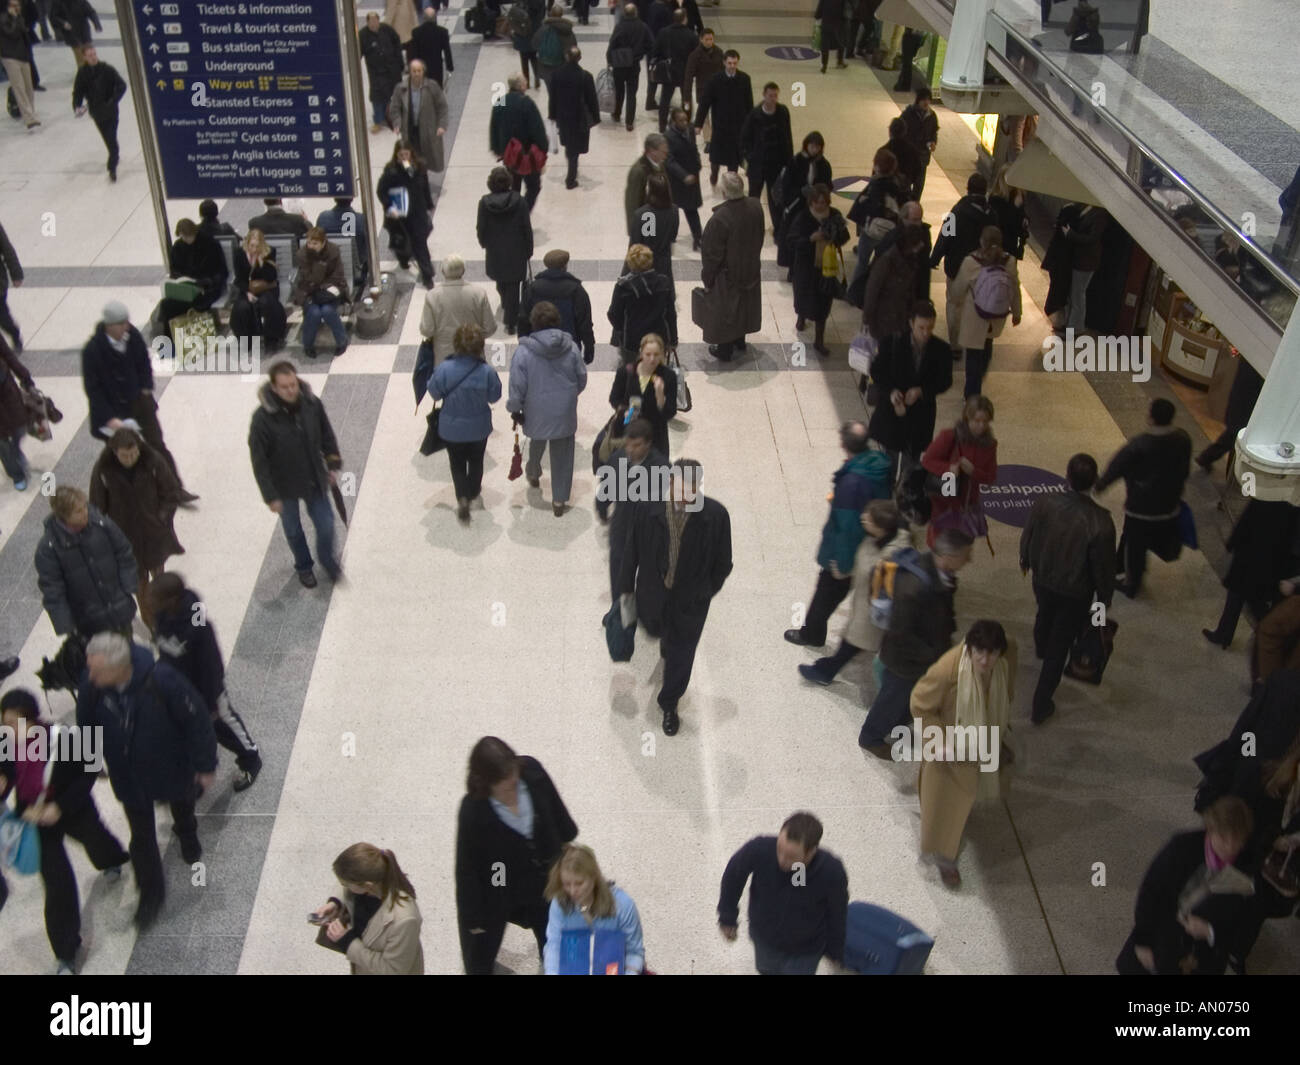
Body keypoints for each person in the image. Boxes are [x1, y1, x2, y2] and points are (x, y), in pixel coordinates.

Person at [75, 632, 216, 929]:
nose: (90, 675)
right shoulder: (91, 686)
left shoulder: (163, 680)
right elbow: (85, 725)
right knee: (141, 837)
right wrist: (90, 763)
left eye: (97, 670)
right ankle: (151, 894)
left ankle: (187, 834)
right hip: (128, 775)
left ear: (118, 668)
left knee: (182, 803)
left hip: (170, 765)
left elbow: (197, 719)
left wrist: (205, 765)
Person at [1, 686, 128, 974]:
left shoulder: (64, 738)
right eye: (4, 724)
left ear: (31, 719)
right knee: (57, 883)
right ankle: (65, 952)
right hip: (35, 818)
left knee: (96, 839)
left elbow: (89, 772)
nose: (8, 730)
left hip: (71, 807)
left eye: (13, 723)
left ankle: (112, 861)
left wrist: (60, 807)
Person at [619, 459, 732, 735]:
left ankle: (669, 702)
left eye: (691, 491)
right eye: (680, 490)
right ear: (669, 483)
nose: (685, 497)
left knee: (682, 654)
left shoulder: (715, 516)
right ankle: (664, 641)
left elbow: (723, 562)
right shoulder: (647, 509)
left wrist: (705, 593)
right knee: (657, 631)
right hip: (653, 595)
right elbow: (631, 550)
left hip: (690, 602)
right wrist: (625, 590)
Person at [455, 737, 578, 974]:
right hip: (500, 883)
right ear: (487, 782)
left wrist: (566, 841)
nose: (514, 781)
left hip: (545, 880)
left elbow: (555, 808)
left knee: (552, 935)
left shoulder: (530, 771)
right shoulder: (473, 811)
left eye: (514, 773)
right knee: (482, 949)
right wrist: (473, 919)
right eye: (506, 783)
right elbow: (466, 871)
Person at [910, 620, 1016, 888]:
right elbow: (920, 704)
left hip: (982, 742)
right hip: (951, 751)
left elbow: (1006, 691)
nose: (984, 659)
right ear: (969, 648)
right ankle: (945, 860)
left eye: (991, 653)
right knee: (944, 809)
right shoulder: (949, 668)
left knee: (966, 795)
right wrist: (938, 744)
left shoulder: (1005, 660)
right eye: (979, 651)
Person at [1019, 452, 1116, 724]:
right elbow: (1104, 567)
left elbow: (1029, 534)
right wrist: (1104, 598)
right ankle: (1041, 703)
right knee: (1060, 645)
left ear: (1067, 476)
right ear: (1094, 480)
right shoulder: (1101, 522)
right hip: (1075, 592)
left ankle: (1040, 646)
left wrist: (1025, 559)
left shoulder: (1045, 503)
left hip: (1043, 579)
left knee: (1043, 613)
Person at [858, 528, 972, 755]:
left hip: (922, 654)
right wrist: (933, 657)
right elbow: (901, 633)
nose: (969, 560)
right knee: (891, 699)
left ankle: (898, 721)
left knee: (904, 699)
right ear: (948, 557)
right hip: (905, 661)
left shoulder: (938, 572)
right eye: (965, 555)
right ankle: (870, 737)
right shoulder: (914, 586)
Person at [1116, 797, 1255, 975]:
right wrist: (1142, 942)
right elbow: (1150, 893)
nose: (1229, 848)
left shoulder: (1245, 864)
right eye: (1223, 838)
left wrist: (1210, 932)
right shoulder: (1181, 849)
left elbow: (1241, 916)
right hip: (1164, 932)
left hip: (1203, 950)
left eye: (1237, 841)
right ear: (1210, 829)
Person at [149, 573, 262, 792]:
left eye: (155, 597)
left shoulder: (197, 625)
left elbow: (211, 664)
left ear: (171, 599)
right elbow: (165, 649)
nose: (149, 600)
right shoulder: (161, 615)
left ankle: (250, 757)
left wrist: (211, 701)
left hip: (205, 689)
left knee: (223, 723)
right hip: (178, 687)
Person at [784, 420, 891, 648]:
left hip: (847, 552)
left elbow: (847, 528)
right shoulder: (878, 465)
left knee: (826, 591)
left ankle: (811, 634)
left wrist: (842, 564)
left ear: (844, 444)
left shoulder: (852, 483)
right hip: (870, 542)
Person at [81, 301, 196, 499]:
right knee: (122, 455)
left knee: (157, 445)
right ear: (109, 326)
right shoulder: (93, 351)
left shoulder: (132, 335)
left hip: (139, 403)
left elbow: (144, 362)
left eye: (126, 322)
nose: (126, 327)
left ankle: (174, 489)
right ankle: (129, 496)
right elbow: (94, 390)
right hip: (113, 412)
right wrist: (109, 418)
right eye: (121, 324)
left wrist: (145, 387)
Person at [798, 499, 916, 686]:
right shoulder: (877, 539)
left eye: (868, 520)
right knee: (854, 642)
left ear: (881, 528)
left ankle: (825, 671)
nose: (863, 519)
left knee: (853, 643)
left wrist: (846, 571)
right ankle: (828, 668)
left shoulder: (890, 556)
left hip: (873, 612)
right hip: (863, 606)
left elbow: (869, 571)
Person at [248, 361, 344, 588]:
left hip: (313, 477)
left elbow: (327, 435)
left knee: (326, 523)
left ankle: (327, 560)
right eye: (284, 387)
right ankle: (304, 566)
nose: (291, 390)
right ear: (274, 388)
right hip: (284, 485)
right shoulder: (262, 420)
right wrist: (270, 496)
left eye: (293, 384)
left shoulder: (312, 404)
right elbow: (259, 461)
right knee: (292, 530)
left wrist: (332, 464)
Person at [717, 812, 849, 974]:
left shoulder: (831, 872)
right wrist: (727, 916)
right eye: (779, 849)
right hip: (765, 941)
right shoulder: (760, 849)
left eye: (791, 857)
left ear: (811, 852)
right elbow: (734, 875)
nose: (782, 860)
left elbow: (837, 911)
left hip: (805, 951)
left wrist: (834, 950)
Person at [1094, 398, 1192, 599]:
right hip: (1169, 504)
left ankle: (1131, 583)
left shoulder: (1140, 445)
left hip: (1141, 508)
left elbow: (1117, 467)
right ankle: (1119, 564)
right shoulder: (1182, 438)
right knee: (1132, 538)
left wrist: (1100, 485)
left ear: (1151, 417)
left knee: (1135, 544)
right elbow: (1184, 470)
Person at [88, 428, 182, 631]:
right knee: (140, 586)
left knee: (159, 579)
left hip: (153, 534)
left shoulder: (153, 462)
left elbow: (170, 492)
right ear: (115, 452)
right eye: (125, 455)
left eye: (133, 453)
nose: (130, 459)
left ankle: (165, 617)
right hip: (125, 540)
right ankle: (152, 625)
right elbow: (96, 506)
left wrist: (162, 517)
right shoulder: (103, 471)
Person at [509, 301, 587, 515]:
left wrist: (515, 408)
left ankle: (533, 471)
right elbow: (581, 378)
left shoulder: (523, 352)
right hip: (564, 408)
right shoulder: (571, 348)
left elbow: (517, 386)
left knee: (538, 438)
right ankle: (559, 500)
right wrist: (569, 396)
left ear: (533, 323)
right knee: (562, 450)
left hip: (535, 407)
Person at [35, 484, 137, 642]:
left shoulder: (101, 524)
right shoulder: (49, 549)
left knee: (128, 650)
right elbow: (52, 590)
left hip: (119, 608)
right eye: (79, 511)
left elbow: (124, 552)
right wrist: (66, 626)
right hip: (88, 623)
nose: (86, 513)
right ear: (64, 516)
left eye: (85, 507)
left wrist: (128, 586)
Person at [866, 300, 953, 471]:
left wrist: (922, 391)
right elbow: (877, 371)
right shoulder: (892, 343)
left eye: (930, 328)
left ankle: (905, 493)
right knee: (888, 460)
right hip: (893, 412)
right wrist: (891, 392)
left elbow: (945, 381)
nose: (926, 333)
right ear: (911, 323)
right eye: (921, 327)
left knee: (911, 464)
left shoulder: (941, 350)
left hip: (920, 416)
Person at [313, 843, 424, 974]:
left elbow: (394, 970)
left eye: (346, 884)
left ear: (367, 885)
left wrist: (348, 942)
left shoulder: (404, 920)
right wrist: (335, 902)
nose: (343, 886)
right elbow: (345, 882)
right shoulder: (370, 880)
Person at [1202, 500, 1298, 650]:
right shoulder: (1292, 506)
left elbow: (1247, 519)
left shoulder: (1266, 494)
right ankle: (1225, 634)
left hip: (1250, 553)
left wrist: (1232, 543)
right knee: (1247, 598)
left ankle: (1271, 637)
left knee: (1246, 599)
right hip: (1269, 559)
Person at [432, 323, 502, 522]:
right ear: (480, 346)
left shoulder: (444, 368)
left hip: (451, 428)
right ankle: (473, 491)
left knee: (456, 462)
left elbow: (434, 392)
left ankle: (462, 496)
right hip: (479, 428)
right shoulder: (487, 371)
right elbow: (494, 396)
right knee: (476, 459)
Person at [543, 843, 646, 974]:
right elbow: (554, 946)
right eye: (567, 884)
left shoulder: (623, 905)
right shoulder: (559, 904)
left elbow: (634, 952)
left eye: (579, 883)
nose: (572, 891)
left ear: (593, 877)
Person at [948, 225, 1022, 396]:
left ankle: (972, 394)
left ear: (981, 241)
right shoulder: (1009, 261)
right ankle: (977, 381)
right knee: (987, 347)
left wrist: (956, 302)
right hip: (996, 315)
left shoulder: (970, 262)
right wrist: (1017, 312)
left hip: (975, 315)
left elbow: (957, 291)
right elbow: (1015, 288)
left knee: (973, 355)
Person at [697, 171, 763, 361]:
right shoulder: (756, 206)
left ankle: (724, 349)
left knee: (727, 311)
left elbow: (711, 255)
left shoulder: (719, 219)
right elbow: (759, 235)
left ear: (724, 193)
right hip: (750, 267)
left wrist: (707, 277)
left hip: (728, 275)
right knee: (745, 305)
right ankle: (740, 341)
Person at [600, 417, 669, 594]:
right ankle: (621, 612)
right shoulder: (617, 460)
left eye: (636, 445)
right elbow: (605, 490)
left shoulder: (662, 467)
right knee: (619, 575)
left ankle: (646, 612)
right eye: (628, 444)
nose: (630, 449)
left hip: (649, 531)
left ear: (648, 443)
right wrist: (602, 509)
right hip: (622, 527)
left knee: (649, 578)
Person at [930, 174, 998, 355]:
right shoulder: (992, 214)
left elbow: (945, 236)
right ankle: (975, 341)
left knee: (955, 304)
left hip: (957, 266)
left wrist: (934, 258)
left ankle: (955, 346)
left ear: (968, 188)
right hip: (983, 268)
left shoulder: (957, 211)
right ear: (985, 190)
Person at [922, 395, 997, 548]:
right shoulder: (949, 436)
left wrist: (974, 471)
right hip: (944, 500)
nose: (981, 426)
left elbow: (990, 477)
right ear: (967, 418)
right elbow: (927, 461)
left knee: (960, 546)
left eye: (985, 421)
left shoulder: (989, 444)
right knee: (939, 543)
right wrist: (948, 468)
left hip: (968, 504)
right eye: (977, 421)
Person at [788, 184, 849, 357]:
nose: (820, 205)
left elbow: (844, 236)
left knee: (823, 302)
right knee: (803, 296)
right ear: (811, 202)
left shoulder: (834, 216)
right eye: (817, 202)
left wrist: (834, 236)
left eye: (823, 202)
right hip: (806, 268)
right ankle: (801, 317)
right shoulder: (803, 217)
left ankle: (819, 340)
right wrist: (810, 239)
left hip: (826, 267)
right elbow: (792, 242)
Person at [844, 149, 905, 307]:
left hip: (871, 231)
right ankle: (875, 294)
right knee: (881, 264)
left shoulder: (875, 184)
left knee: (862, 262)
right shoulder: (899, 184)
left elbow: (867, 208)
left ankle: (854, 294)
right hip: (889, 232)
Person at [477, 166, 534, 335]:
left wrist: (484, 243)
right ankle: (511, 317)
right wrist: (529, 249)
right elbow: (526, 227)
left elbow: (481, 227)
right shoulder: (520, 201)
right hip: (516, 249)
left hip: (495, 250)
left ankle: (509, 313)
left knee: (501, 281)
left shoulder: (484, 203)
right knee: (513, 284)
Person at [517, 248, 595, 363]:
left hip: (538, 349)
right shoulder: (576, 290)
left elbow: (523, 319)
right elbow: (584, 323)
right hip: (568, 348)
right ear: (565, 266)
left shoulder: (532, 289)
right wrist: (589, 347)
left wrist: (523, 344)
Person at [420, 254, 497, 367]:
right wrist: (475, 337)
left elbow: (427, 330)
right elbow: (490, 327)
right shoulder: (479, 294)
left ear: (442, 271)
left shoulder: (432, 296)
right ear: (464, 271)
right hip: (474, 356)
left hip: (444, 358)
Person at [377, 140, 435, 289]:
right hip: (399, 215)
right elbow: (381, 191)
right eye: (401, 154)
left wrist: (428, 204)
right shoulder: (391, 171)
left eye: (406, 154)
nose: (404, 157)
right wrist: (389, 207)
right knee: (402, 241)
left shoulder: (419, 168)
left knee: (420, 243)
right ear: (396, 155)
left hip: (417, 212)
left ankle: (427, 274)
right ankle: (404, 257)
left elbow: (424, 187)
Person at [862, 223, 931, 346]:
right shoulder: (886, 261)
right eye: (918, 244)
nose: (921, 247)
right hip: (885, 317)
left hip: (903, 316)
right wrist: (867, 319)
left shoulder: (911, 259)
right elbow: (872, 291)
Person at [388, 59, 449, 198]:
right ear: (410, 72)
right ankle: (415, 186)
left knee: (423, 161)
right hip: (409, 131)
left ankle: (422, 188)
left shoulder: (432, 87)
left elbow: (442, 107)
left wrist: (441, 125)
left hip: (427, 131)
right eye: (414, 71)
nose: (416, 74)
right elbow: (395, 108)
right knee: (410, 160)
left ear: (423, 71)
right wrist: (397, 124)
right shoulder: (401, 88)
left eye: (419, 71)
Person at [610, 332, 677, 457]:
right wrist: (623, 411)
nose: (652, 359)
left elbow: (670, 413)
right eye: (648, 354)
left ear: (662, 354)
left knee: (654, 474)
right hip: (629, 431)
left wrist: (660, 397)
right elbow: (614, 398)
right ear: (641, 353)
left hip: (655, 436)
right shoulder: (625, 372)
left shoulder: (668, 376)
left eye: (656, 355)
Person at [608, 243, 677, 363]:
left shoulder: (623, 287)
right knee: (657, 373)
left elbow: (613, 314)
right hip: (658, 338)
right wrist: (673, 340)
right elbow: (671, 314)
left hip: (631, 340)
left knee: (632, 375)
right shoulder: (663, 283)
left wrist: (622, 329)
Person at [774, 131, 832, 272]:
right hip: (796, 205)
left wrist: (818, 192)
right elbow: (787, 184)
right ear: (806, 145)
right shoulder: (796, 161)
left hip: (814, 207)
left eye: (817, 147)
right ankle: (792, 268)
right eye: (812, 146)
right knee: (795, 237)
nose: (814, 149)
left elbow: (827, 185)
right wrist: (800, 191)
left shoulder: (824, 165)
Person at [490, 73, 549, 210]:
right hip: (527, 154)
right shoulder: (527, 103)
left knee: (513, 185)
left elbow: (494, 127)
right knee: (533, 186)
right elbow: (537, 129)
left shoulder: (500, 101)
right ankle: (523, 212)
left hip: (509, 154)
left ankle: (513, 212)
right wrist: (543, 149)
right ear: (521, 85)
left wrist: (497, 149)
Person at [739, 82, 793, 230]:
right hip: (758, 165)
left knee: (775, 199)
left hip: (776, 165)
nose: (773, 99)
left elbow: (787, 137)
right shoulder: (754, 115)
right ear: (764, 95)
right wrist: (749, 157)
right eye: (770, 95)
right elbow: (745, 138)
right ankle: (752, 226)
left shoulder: (782, 112)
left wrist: (789, 162)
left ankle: (778, 227)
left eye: (775, 96)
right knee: (754, 197)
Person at [693, 49, 751, 186]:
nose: (732, 66)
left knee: (734, 159)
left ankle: (731, 183)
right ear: (724, 62)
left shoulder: (744, 79)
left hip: (738, 127)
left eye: (735, 63)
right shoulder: (715, 80)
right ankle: (714, 174)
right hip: (721, 126)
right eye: (729, 63)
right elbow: (705, 103)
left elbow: (749, 103)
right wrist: (698, 124)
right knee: (716, 158)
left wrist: (750, 125)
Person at [291, 227, 351, 357]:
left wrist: (321, 285)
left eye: (315, 243)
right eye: (309, 243)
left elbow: (338, 276)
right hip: (309, 292)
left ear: (323, 243)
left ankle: (342, 341)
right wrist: (319, 265)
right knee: (314, 313)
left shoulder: (333, 251)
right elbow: (308, 279)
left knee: (327, 311)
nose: (311, 246)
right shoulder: (302, 255)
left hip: (329, 292)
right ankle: (308, 345)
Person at [1196, 359, 1263, 472]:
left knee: (1230, 440)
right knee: (1231, 442)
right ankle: (1207, 458)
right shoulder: (1258, 371)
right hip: (1243, 415)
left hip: (1238, 411)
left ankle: (1207, 458)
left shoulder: (1248, 363)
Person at [547, 46, 600, 189]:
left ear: (566, 56)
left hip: (563, 117)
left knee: (570, 145)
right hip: (580, 117)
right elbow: (592, 99)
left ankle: (571, 168)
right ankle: (571, 178)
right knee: (575, 148)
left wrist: (552, 115)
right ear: (579, 58)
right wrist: (595, 117)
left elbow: (553, 98)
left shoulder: (556, 75)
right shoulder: (585, 76)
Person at [160, 217, 228, 325]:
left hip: (208, 288)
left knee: (196, 303)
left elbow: (221, 270)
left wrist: (207, 281)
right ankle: (171, 336)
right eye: (183, 236)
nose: (186, 239)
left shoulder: (209, 243)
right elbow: (175, 270)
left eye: (188, 236)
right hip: (187, 289)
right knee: (166, 304)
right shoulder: (178, 247)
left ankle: (191, 330)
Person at [71, 44, 124, 180]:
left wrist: (113, 100)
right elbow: (78, 91)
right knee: (109, 139)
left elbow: (121, 85)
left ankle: (112, 165)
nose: (93, 57)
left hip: (111, 111)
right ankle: (114, 159)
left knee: (111, 138)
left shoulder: (107, 69)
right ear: (84, 57)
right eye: (90, 55)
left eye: (94, 54)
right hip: (97, 113)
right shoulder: (83, 73)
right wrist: (77, 106)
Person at [230, 228, 288, 354]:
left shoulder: (269, 251)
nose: (254, 249)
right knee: (241, 307)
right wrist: (248, 293)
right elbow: (239, 278)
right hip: (247, 288)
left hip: (266, 286)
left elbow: (271, 277)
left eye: (257, 246)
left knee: (268, 304)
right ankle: (246, 339)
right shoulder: (239, 253)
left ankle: (272, 340)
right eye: (252, 246)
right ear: (247, 243)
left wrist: (261, 262)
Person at [1058, 204, 1109, 333]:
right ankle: (1071, 324)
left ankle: (1075, 328)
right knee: (1074, 294)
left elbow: (1092, 238)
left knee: (1078, 294)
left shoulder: (1100, 214)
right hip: (1079, 257)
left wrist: (1071, 234)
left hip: (1087, 260)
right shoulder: (1086, 207)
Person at [606, 2, 653, 130]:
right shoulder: (642, 26)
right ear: (636, 13)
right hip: (634, 64)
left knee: (619, 91)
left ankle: (616, 114)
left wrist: (609, 60)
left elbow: (612, 43)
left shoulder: (620, 26)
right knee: (632, 93)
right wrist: (641, 53)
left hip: (619, 64)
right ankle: (629, 122)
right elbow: (650, 44)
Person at [652, 8, 697, 132]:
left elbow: (656, 51)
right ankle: (686, 122)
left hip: (668, 71)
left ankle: (662, 125)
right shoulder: (691, 35)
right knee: (686, 99)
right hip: (685, 72)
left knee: (665, 99)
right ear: (684, 19)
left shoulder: (663, 32)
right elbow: (695, 56)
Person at [665, 107, 704, 249]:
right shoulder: (668, 137)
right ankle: (671, 236)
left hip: (692, 176)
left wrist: (698, 164)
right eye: (681, 120)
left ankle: (698, 238)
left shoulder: (690, 130)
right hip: (678, 180)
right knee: (675, 209)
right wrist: (684, 176)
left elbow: (694, 149)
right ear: (674, 121)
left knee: (691, 209)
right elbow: (669, 161)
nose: (685, 123)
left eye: (686, 120)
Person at [632, 173, 679, 289]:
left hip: (645, 265)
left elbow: (637, 243)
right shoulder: (674, 211)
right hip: (664, 263)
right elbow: (673, 236)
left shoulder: (643, 214)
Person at [359, 10, 405, 130]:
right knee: (377, 96)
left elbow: (396, 41)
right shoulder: (363, 35)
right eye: (371, 22)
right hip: (376, 72)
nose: (374, 24)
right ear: (367, 22)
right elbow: (358, 52)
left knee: (395, 94)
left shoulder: (387, 29)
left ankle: (395, 118)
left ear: (379, 21)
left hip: (392, 69)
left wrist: (399, 60)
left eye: (376, 21)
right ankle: (378, 121)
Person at [0, 333, 33, 490]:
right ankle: (16, 474)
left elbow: (8, 355)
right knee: (2, 443)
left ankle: (16, 450)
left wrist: (25, 377)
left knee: (20, 426)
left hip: (6, 389)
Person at [0, 0, 39, 130]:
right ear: (9, 7)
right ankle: (29, 118)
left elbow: (24, 32)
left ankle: (31, 113)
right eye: (14, 6)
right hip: (10, 57)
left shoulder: (20, 18)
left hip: (23, 56)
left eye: (18, 5)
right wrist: (15, 19)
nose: (17, 8)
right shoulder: (3, 19)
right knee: (19, 88)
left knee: (29, 87)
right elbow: (12, 33)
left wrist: (18, 19)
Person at [682, 26, 723, 149]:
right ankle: (708, 140)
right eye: (707, 39)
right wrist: (686, 96)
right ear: (701, 39)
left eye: (711, 39)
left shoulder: (719, 52)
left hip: (717, 89)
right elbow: (688, 77)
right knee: (704, 116)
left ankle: (716, 138)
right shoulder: (694, 55)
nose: (709, 42)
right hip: (703, 89)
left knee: (717, 114)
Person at [624, 131, 670, 239]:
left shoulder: (659, 164)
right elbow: (632, 202)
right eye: (663, 151)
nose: (666, 154)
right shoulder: (639, 171)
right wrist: (634, 231)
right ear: (652, 151)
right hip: (646, 221)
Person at [317, 197, 370, 286]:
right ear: (352, 199)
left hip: (328, 273)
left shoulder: (323, 217)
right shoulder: (361, 219)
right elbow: (368, 249)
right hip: (356, 276)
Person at [900, 87, 938, 200]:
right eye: (923, 99)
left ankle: (914, 211)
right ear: (918, 100)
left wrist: (933, 142)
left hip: (922, 158)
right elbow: (900, 131)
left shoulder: (932, 116)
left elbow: (933, 132)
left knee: (918, 188)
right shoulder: (908, 114)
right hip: (909, 158)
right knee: (905, 187)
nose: (926, 102)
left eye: (928, 99)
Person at [531, 3, 576, 89]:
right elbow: (573, 46)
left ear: (551, 14)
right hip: (563, 67)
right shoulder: (567, 29)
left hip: (546, 66)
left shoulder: (543, 29)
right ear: (561, 14)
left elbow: (534, 44)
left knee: (551, 92)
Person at [988, 165, 1028, 260]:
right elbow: (1003, 222)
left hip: (1012, 244)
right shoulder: (996, 199)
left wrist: (1025, 219)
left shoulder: (1017, 195)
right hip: (999, 244)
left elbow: (1022, 216)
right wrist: (1015, 208)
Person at [878, 116, 923, 201]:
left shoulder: (883, 151)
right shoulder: (912, 151)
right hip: (904, 192)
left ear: (890, 131)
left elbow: (876, 174)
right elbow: (918, 171)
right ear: (904, 132)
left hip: (885, 194)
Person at [408, 5, 453, 87]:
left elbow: (412, 52)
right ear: (435, 18)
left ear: (424, 18)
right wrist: (449, 67)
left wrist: (410, 67)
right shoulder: (442, 32)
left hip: (421, 68)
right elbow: (447, 51)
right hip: (437, 68)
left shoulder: (416, 32)